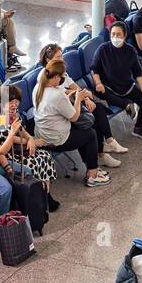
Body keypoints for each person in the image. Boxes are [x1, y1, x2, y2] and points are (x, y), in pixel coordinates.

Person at [32, 59, 111, 188]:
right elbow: (74, 117)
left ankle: (91, 168)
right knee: (90, 134)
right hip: (55, 140)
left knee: (80, 132)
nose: (62, 81)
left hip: (42, 133)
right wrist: (78, 99)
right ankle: (92, 175)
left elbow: (54, 108)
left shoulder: (38, 88)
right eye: (61, 78)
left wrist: (68, 98)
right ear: (56, 77)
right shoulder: (57, 94)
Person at [91, 22, 142, 140]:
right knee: (101, 92)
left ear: (125, 36)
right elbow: (95, 69)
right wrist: (98, 83)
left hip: (126, 86)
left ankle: (139, 128)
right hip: (107, 87)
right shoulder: (103, 49)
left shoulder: (130, 51)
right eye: (113, 34)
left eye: (119, 34)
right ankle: (126, 104)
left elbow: (138, 72)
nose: (115, 37)